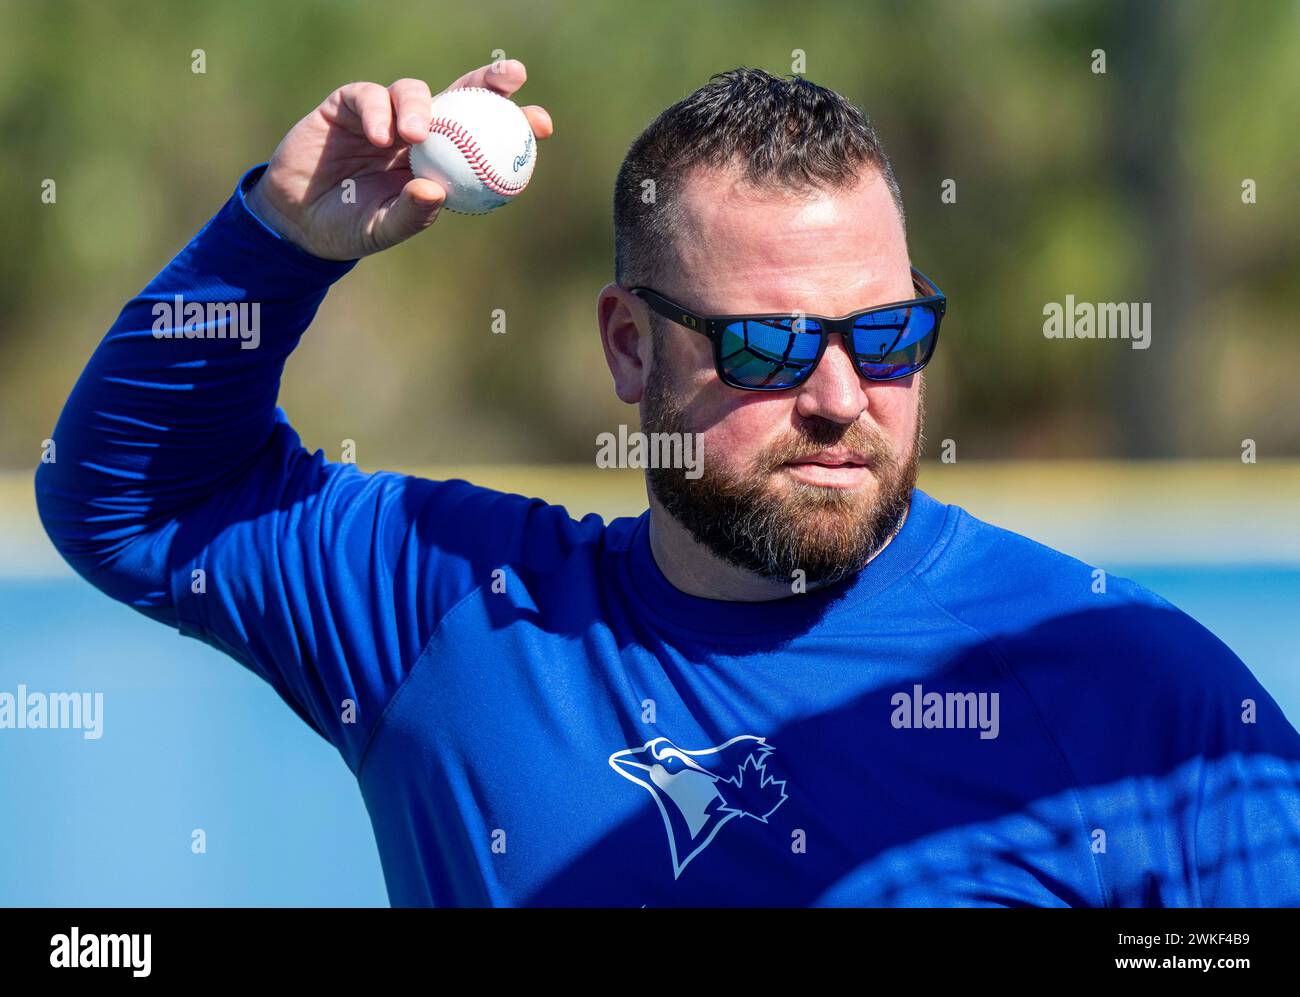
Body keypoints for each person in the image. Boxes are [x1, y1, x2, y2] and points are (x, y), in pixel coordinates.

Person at [36, 62, 1300, 906]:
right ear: (629, 347)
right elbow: (133, 503)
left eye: (892, 336)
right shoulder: (454, 614)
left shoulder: (1125, 683)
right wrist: (276, 244)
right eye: (768, 345)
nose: (841, 398)